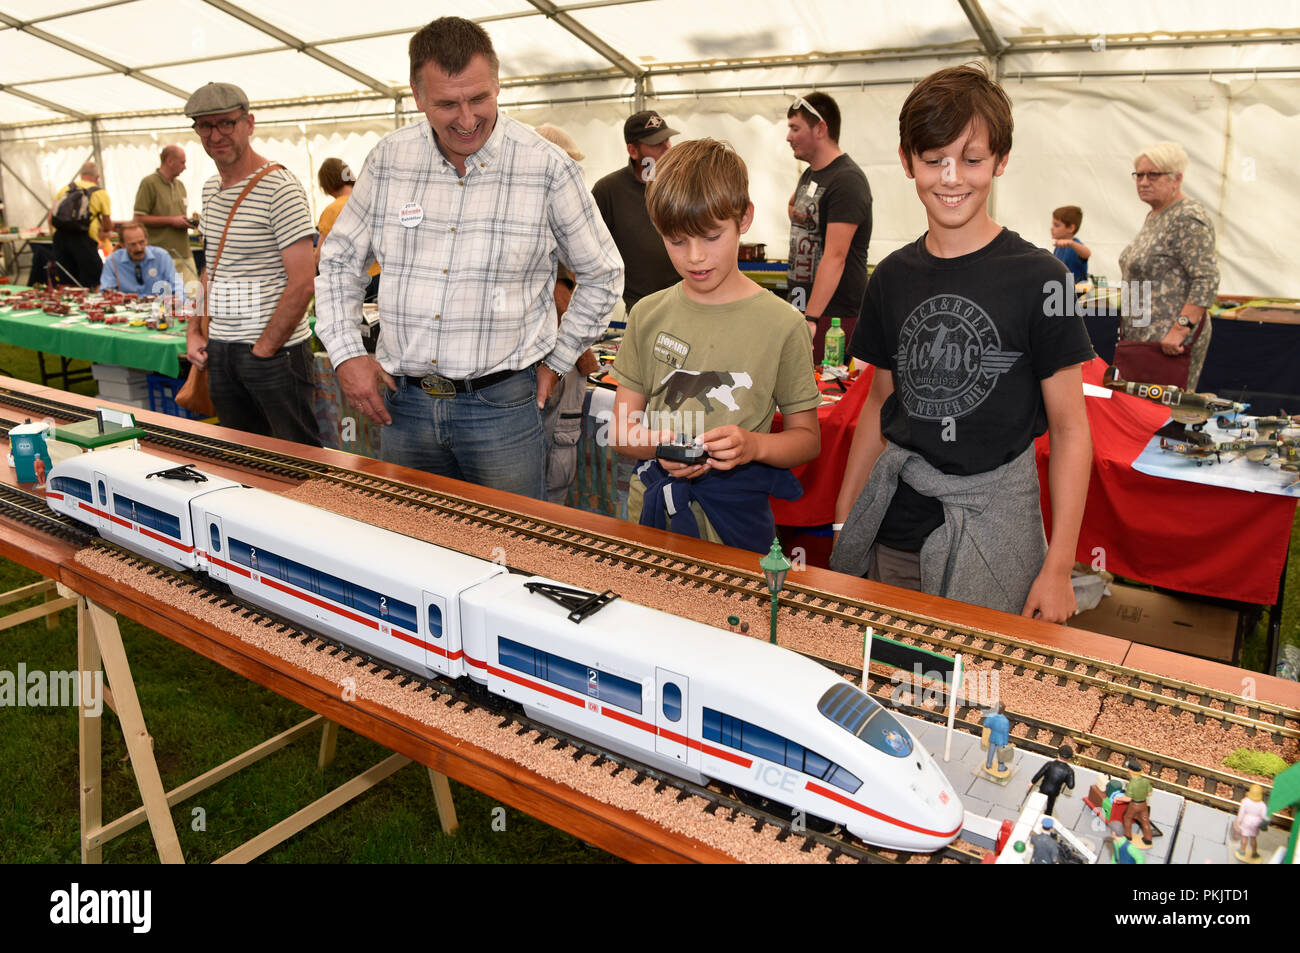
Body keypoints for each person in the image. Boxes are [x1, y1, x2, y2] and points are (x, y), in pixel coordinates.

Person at [828, 65, 1094, 623]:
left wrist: (1059, 565)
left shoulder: (1043, 278)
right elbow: (879, 403)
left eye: (971, 159)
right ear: (907, 162)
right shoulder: (892, 277)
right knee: (889, 684)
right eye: (933, 160)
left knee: (983, 696)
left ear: (1000, 161)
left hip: (998, 533)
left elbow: (1070, 428)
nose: (952, 177)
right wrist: (844, 521)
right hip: (895, 533)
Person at [315, 16, 621, 499]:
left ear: (498, 84)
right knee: (409, 547)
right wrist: (348, 354)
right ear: (417, 97)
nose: (466, 118)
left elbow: (604, 274)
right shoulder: (389, 160)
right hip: (404, 404)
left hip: (505, 408)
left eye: (479, 98)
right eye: (446, 103)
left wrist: (558, 360)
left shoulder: (545, 167)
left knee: (510, 553)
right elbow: (337, 263)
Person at [609, 138, 821, 553]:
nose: (695, 257)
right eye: (676, 241)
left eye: (710, 237)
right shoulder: (648, 314)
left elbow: (806, 438)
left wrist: (754, 445)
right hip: (652, 514)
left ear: (744, 218)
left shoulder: (783, 324)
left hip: (736, 525)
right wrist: (663, 447)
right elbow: (620, 429)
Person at [184, 81, 321, 447]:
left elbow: (304, 282)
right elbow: (211, 267)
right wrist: (194, 329)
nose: (216, 135)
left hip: (273, 353)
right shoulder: (210, 189)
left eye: (226, 123)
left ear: (249, 123)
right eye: (205, 126)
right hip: (222, 349)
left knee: (297, 460)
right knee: (243, 459)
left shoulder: (281, 188)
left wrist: (265, 348)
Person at [1118, 141, 1220, 391]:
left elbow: (1206, 279)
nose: (1143, 182)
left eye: (1153, 175)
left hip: (1168, 342)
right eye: (1139, 175)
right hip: (1141, 339)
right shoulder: (1155, 216)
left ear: (1177, 178)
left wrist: (1180, 328)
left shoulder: (1187, 216)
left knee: (1164, 418)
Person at [785, 92, 872, 363]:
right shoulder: (811, 173)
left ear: (820, 129)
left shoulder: (846, 180)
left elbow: (836, 257)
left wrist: (811, 319)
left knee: (824, 398)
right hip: (801, 304)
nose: (788, 137)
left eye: (795, 128)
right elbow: (794, 207)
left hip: (831, 317)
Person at [591, 110, 682, 320]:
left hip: (690, 298)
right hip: (644, 309)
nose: (667, 147)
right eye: (656, 143)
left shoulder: (681, 184)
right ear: (633, 150)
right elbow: (589, 252)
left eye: (667, 139)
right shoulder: (609, 191)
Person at [133, 145, 199, 288]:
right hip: (160, 254)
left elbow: (177, 216)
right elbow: (138, 219)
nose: (185, 167)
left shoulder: (180, 185)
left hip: (184, 252)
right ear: (169, 161)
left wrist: (190, 222)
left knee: (193, 297)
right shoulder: (149, 183)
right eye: (182, 162)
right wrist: (171, 221)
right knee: (163, 299)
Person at [315, 158, 379, 302]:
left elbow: (320, 256)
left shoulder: (332, 210)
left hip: (353, 281)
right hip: (380, 277)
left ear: (327, 184)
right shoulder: (372, 201)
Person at [48, 161, 112, 288]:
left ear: (81, 174)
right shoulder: (99, 193)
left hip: (60, 239)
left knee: (67, 282)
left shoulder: (66, 189)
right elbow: (107, 225)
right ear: (97, 177)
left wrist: (54, 237)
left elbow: (51, 218)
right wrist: (103, 231)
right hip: (84, 240)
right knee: (94, 281)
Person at [99, 221, 184, 302]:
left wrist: (178, 300)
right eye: (133, 244)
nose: (139, 248)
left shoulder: (162, 256)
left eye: (141, 242)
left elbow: (177, 285)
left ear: (146, 239)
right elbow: (106, 292)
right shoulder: (113, 261)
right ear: (122, 244)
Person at [1028, 745, 1075, 815]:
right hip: (1054, 791)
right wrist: (1065, 778)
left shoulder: (1049, 764)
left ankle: (1034, 812)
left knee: (1039, 801)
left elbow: (1039, 774)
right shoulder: (1069, 771)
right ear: (1069, 758)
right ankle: (1047, 815)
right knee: (1050, 805)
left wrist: (1032, 782)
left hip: (1044, 788)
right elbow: (1071, 786)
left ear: (1058, 754)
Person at [1050, 205, 1089, 288]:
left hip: (1077, 294)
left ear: (1071, 228)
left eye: (1056, 225)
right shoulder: (1058, 247)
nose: (1052, 228)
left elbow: (1087, 253)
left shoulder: (1075, 245)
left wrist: (1071, 243)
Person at [1121, 758, 1153, 848]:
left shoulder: (1132, 783)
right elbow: (1150, 793)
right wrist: (1141, 794)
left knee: (1127, 817)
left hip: (1134, 804)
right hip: (1144, 804)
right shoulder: (1145, 781)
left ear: (1130, 771)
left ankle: (1128, 836)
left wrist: (1118, 798)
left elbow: (1128, 799)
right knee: (1145, 821)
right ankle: (1148, 839)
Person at [1234, 784, 1268, 863]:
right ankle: (1254, 853)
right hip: (1256, 823)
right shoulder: (1262, 805)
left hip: (1246, 821)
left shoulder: (1245, 801)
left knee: (1244, 837)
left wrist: (1238, 822)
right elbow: (1265, 816)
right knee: (1253, 838)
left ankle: (1242, 850)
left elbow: (1241, 813)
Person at [981, 702, 1011, 775]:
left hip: (992, 737)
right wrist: (1006, 743)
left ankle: (988, 764)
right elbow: (1005, 733)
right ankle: (1000, 767)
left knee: (991, 751)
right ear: (1003, 710)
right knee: (1001, 754)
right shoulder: (1005, 721)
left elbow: (986, 724)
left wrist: (992, 727)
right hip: (1000, 740)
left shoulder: (991, 716)